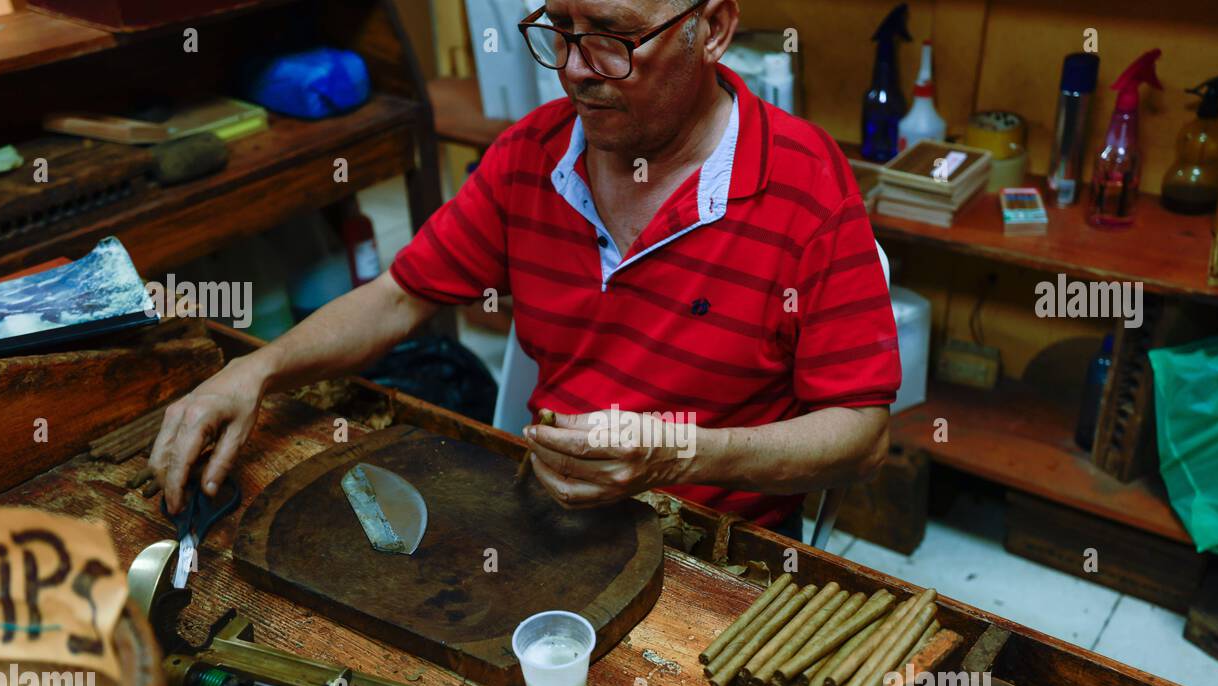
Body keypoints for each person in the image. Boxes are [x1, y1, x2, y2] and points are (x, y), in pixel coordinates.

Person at [151, 0, 898, 540]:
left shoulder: (804, 186)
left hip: (713, 539)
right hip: (549, 509)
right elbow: (398, 296)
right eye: (561, 29)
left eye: (613, 38)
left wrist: (674, 456)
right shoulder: (532, 155)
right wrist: (257, 370)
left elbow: (862, 439)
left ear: (713, 28)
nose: (576, 70)